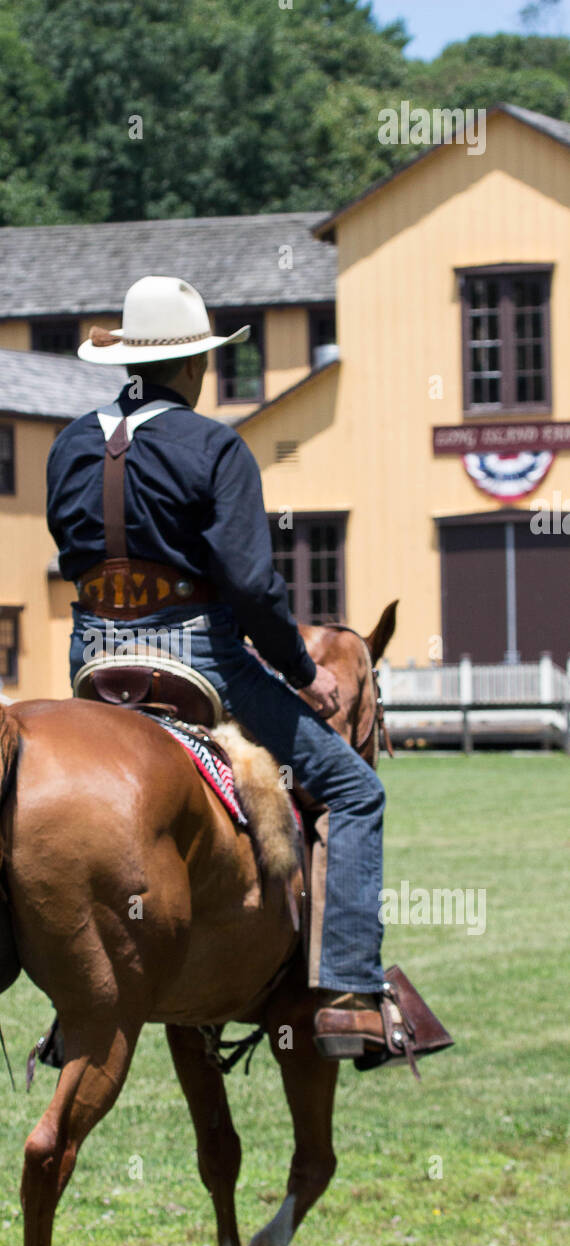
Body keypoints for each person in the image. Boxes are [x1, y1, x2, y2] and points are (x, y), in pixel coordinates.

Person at [47, 275, 390, 1062]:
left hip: (91, 662)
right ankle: (345, 991)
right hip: (195, 656)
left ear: (134, 362)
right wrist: (304, 673)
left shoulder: (68, 443)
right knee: (353, 789)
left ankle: (76, 990)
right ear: (197, 364)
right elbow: (251, 587)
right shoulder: (215, 447)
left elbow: (74, 556)